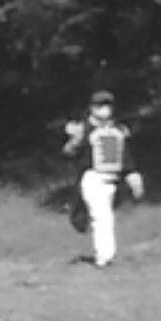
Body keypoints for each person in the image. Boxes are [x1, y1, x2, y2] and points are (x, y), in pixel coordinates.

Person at [64, 90, 136, 268]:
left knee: (105, 217)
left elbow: (125, 156)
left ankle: (105, 254)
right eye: (100, 105)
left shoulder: (118, 129)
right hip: (93, 177)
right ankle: (104, 256)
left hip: (113, 180)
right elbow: (70, 153)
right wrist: (74, 142)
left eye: (107, 105)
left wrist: (132, 174)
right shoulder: (83, 129)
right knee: (101, 215)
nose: (104, 109)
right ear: (92, 108)